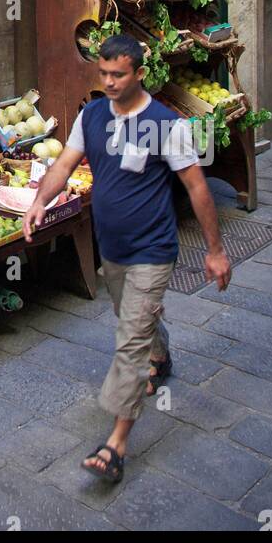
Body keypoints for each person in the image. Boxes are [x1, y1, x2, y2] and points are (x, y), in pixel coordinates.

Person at [22, 33, 231, 484]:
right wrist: (41, 201)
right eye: (104, 74)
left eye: (119, 75)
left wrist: (215, 251)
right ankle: (162, 354)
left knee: (129, 340)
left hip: (153, 251)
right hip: (112, 249)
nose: (110, 82)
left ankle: (115, 444)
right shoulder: (92, 115)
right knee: (133, 316)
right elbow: (64, 165)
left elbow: (197, 188)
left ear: (139, 74)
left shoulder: (165, 125)